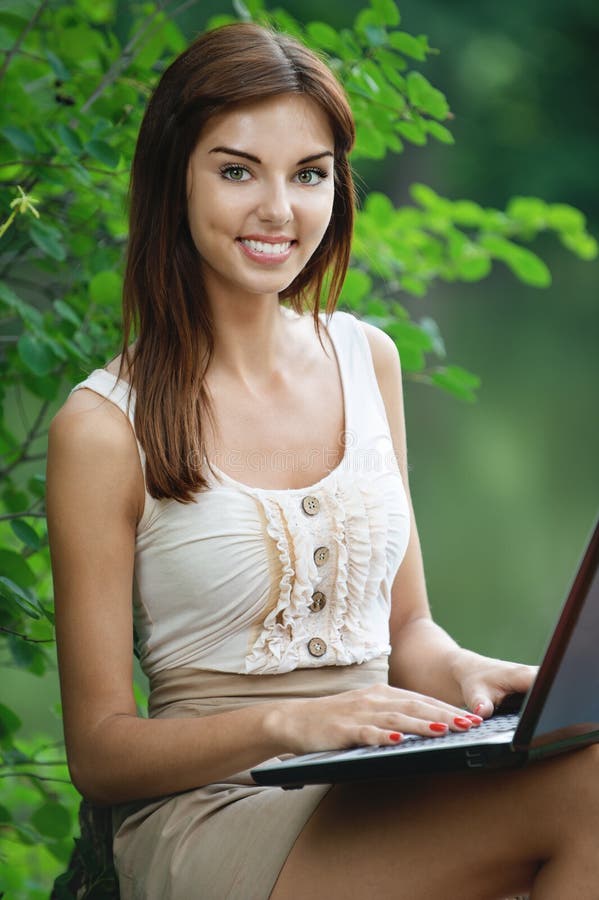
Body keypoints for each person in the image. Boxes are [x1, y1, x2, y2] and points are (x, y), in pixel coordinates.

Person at [46, 20, 599, 900]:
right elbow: (101, 751)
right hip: (211, 808)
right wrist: (292, 723)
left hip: (379, 776)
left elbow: (405, 630)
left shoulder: (366, 358)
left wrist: (468, 678)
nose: (280, 210)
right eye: (237, 171)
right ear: (172, 181)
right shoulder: (105, 424)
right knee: (590, 795)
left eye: (309, 175)